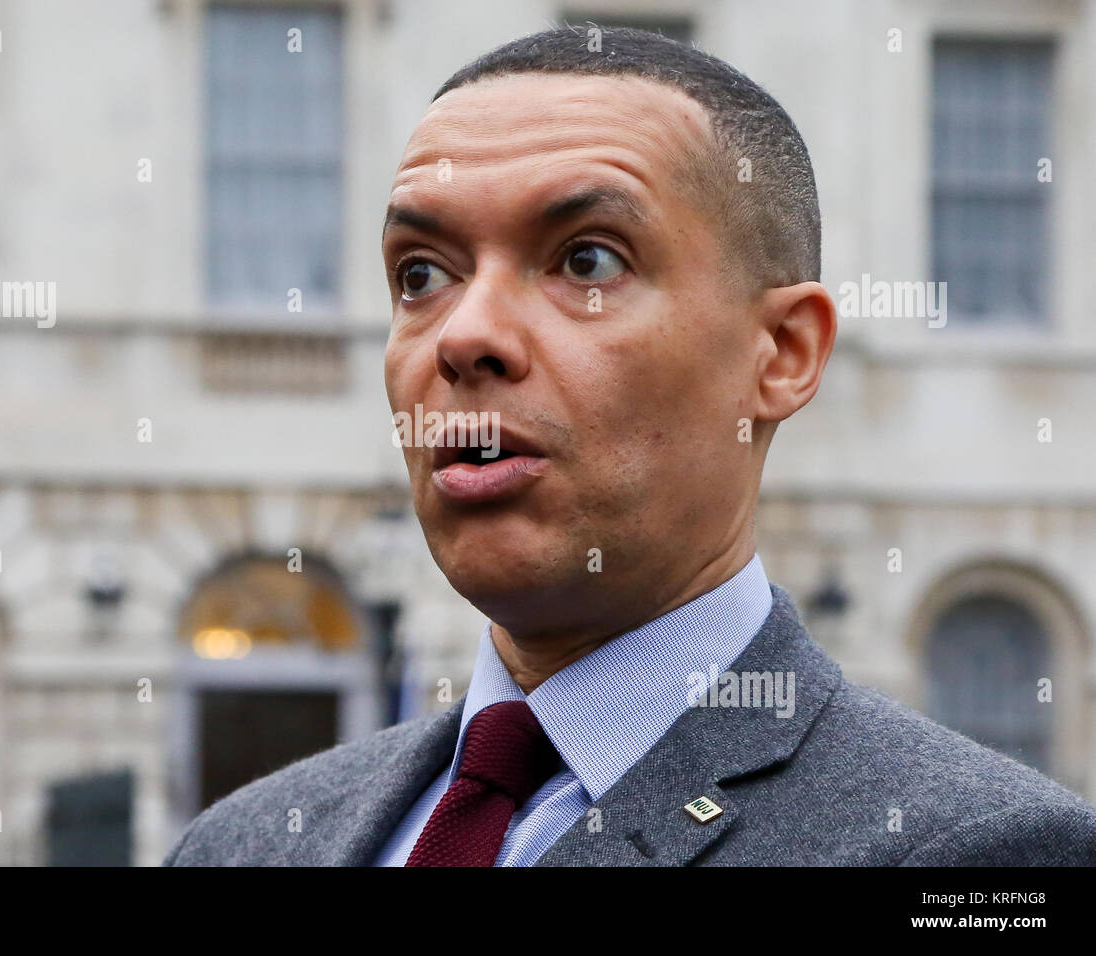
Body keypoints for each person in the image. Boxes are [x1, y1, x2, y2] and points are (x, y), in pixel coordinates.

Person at [164, 26, 1096, 866]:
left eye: (588, 260)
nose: (463, 335)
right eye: (422, 275)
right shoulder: (240, 842)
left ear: (781, 354)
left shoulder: (982, 857)